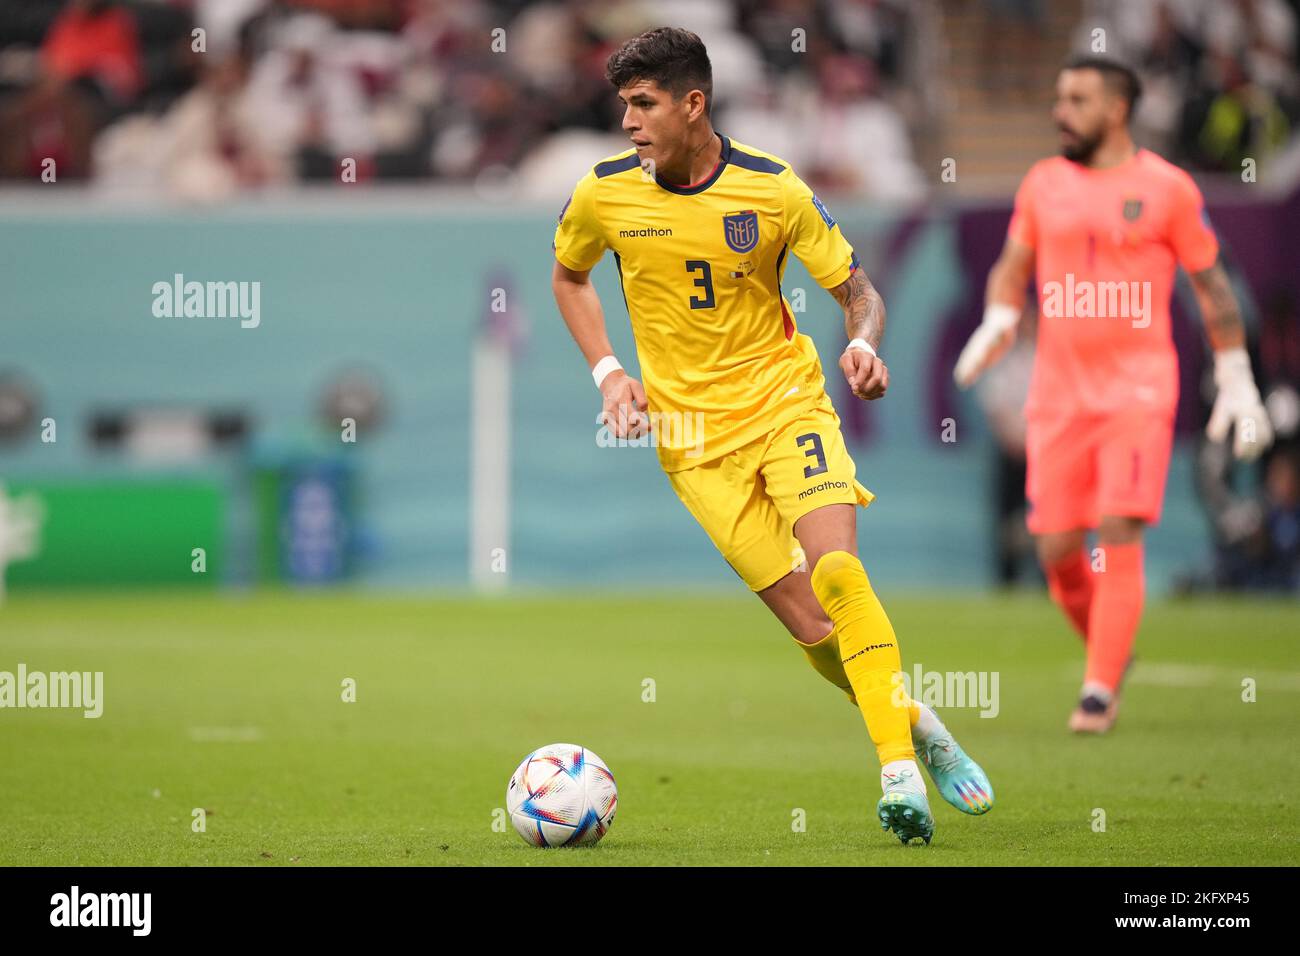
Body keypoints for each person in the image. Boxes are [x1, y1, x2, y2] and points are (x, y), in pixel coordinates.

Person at [551, 27, 992, 846]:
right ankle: (922, 725)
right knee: (811, 629)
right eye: (623, 106)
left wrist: (862, 343)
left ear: (693, 103)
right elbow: (569, 275)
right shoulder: (604, 194)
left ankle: (896, 768)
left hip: (787, 405)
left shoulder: (773, 189)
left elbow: (858, 289)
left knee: (838, 571)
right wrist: (609, 372)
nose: (628, 123)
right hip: (693, 444)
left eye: (643, 105)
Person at [954, 55, 1273, 734]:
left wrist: (1238, 376)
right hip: (1059, 396)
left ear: (1116, 109)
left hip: (1138, 390)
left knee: (1119, 531)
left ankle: (1098, 690)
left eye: (1076, 99)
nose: (1059, 111)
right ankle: (1112, 649)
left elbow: (1212, 288)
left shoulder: (1168, 189)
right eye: (1059, 97)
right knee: (1057, 551)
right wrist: (1000, 319)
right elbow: (1013, 269)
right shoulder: (1043, 185)